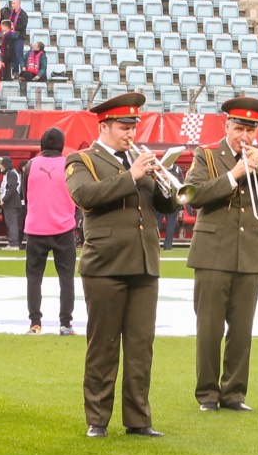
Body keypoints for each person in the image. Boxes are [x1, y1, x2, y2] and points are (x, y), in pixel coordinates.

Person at [65, 93, 179, 437]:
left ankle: (138, 419)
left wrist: (165, 182)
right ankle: (97, 419)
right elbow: (85, 197)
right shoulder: (82, 159)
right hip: (107, 265)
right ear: (105, 126)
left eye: (133, 125)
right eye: (123, 125)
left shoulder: (138, 160)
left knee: (141, 346)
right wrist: (132, 174)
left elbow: (165, 207)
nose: (130, 131)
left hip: (144, 263)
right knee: (103, 345)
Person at [181, 97, 258, 413]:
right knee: (209, 328)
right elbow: (194, 196)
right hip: (212, 252)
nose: (245, 137)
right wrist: (235, 173)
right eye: (239, 128)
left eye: (250, 131)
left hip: (249, 251)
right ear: (227, 126)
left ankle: (235, 393)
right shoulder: (207, 155)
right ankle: (208, 394)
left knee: (242, 329)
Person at [22, 128, 80, 335]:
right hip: (64, 228)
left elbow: (25, 197)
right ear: (62, 145)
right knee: (66, 278)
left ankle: (35, 323)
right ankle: (65, 324)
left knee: (34, 278)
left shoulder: (30, 165)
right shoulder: (69, 165)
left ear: (41, 145)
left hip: (36, 228)